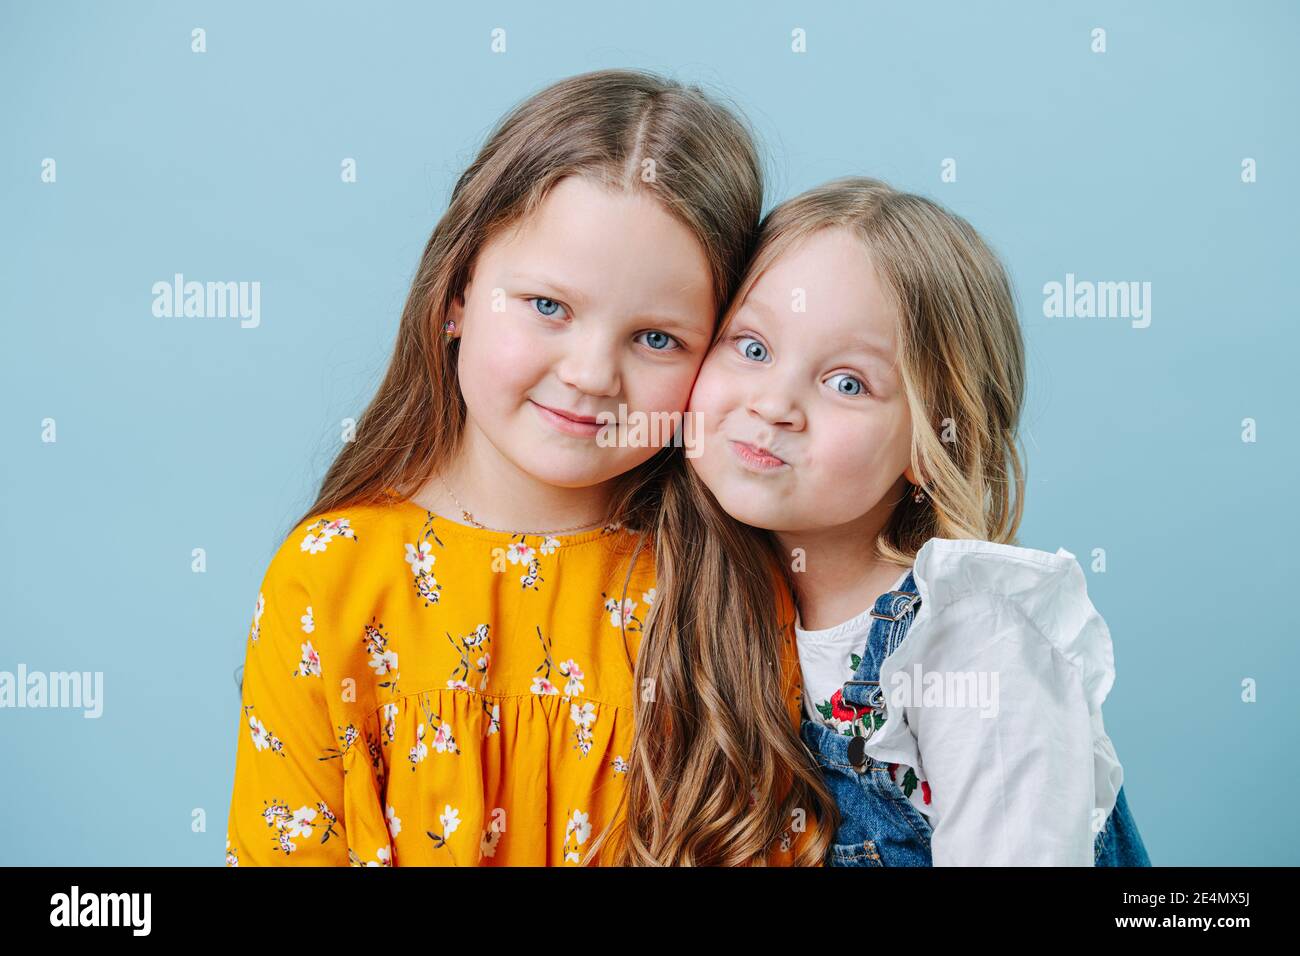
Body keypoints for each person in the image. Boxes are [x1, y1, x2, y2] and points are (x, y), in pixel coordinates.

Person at [223, 69, 827, 866]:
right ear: (458, 292)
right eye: (549, 306)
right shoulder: (330, 583)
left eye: (657, 338)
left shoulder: (738, 591)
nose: (589, 373)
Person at [676, 176, 1152, 865]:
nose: (774, 401)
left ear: (934, 444)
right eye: (752, 347)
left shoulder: (972, 643)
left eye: (848, 383)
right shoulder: (710, 600)